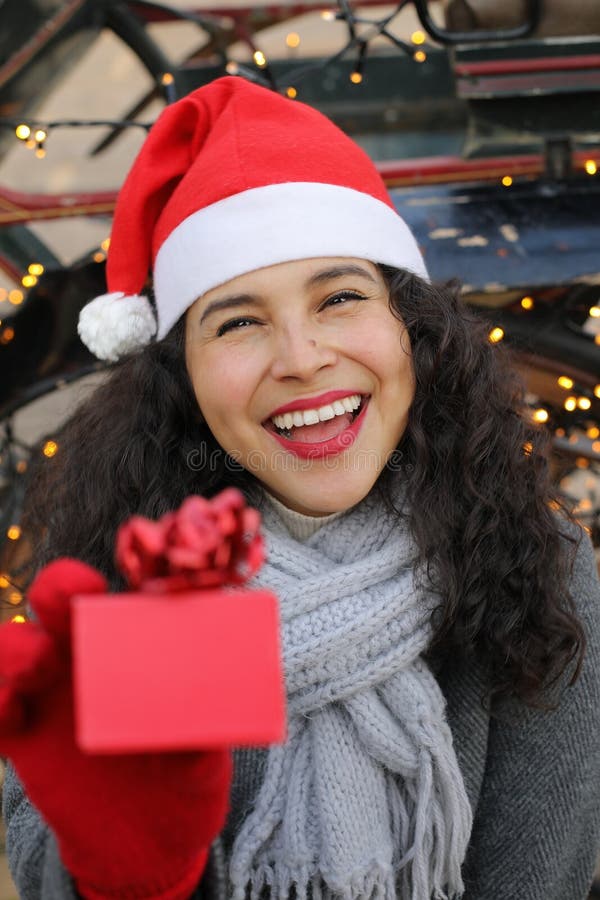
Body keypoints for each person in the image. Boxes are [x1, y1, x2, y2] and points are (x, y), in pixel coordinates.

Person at [1, 75, 599, 900]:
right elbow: (46, 863)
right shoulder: (128, 570)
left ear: (411, 329)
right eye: (239, 321)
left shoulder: (539, 559)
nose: (301, 357)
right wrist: (126, 871)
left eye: (341, 298)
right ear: (182, 377)